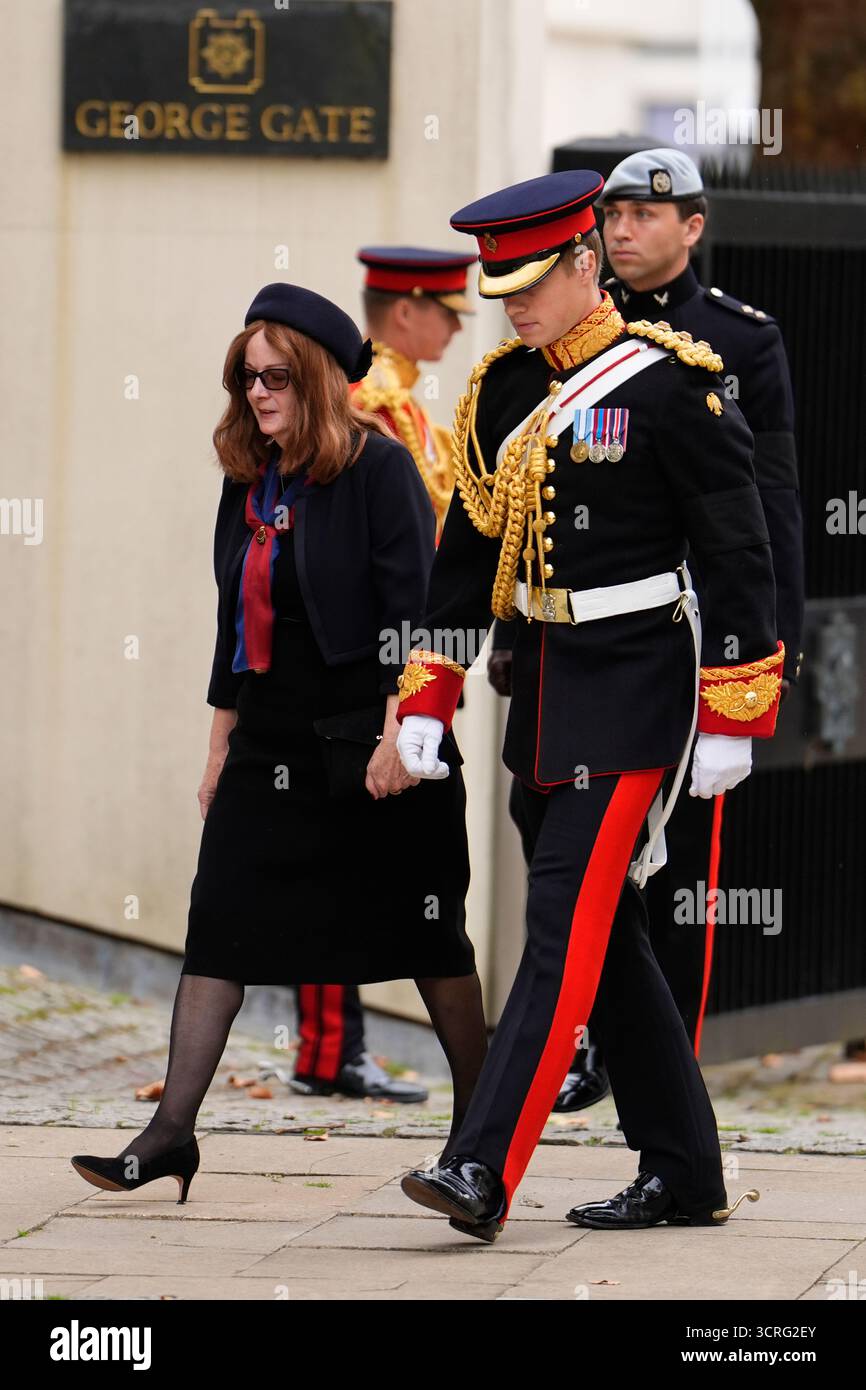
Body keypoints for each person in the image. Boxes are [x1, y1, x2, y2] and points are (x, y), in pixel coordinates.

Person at [393, 169, 784, 1242]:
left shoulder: (673, 383)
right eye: (498, 289)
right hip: (547, 690)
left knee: (560, 925)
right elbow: (464, 552)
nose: (510, 305)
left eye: (527, 283)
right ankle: (685, 1168)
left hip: (637, 689)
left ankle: (478, 1166)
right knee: (605, 938)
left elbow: (735, 548)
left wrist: (737, 709)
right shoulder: (503, 388)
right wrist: (431, 685)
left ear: (581, 265)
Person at [70, 283, 488, 1203]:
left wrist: (400, 733)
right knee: (217, 920)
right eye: (246, 377)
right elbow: (233, 628)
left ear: (320, 382)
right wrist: (218, 748)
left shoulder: (378, 471)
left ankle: (481, 1133)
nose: (258, 394)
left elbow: (416, 613)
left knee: (431, 940)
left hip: (376, 743)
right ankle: (171, 1131)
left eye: (276, 377)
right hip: (272, 740)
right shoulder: (248, 481)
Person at [486, 148, 804, 1112]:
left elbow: (765, 512)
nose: (623, 232)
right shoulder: (564, 347)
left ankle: (669, 1077)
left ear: (693, 227)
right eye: (612, 217)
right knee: (582, 878)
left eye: (645, 216)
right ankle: (608, 1059)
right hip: (578, 651)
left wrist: (750, 677)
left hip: (685, 644)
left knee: (677, 883)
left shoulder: (734, 343)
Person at [288, 247, 477, 1106]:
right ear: (406, 310)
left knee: (382, 858)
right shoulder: (370, 407)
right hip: (367, 670)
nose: (453, 326)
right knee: (338, 856)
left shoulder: (404, 406)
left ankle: (345, 1048)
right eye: (446, 311)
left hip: (414, 661)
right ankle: (330, 1050)